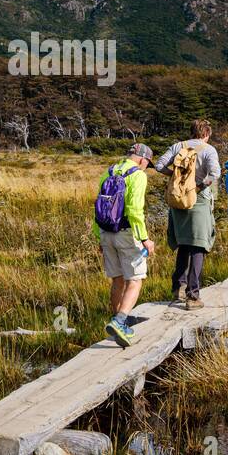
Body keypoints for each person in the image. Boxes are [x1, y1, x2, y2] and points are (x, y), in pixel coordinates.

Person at [92, 143, 156, 348]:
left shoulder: (108, 171)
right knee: (135, 280)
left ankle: (117, 322)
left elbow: (98, 206)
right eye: (147, 162)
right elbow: (135, 210)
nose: (147, 166)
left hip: (106, 232)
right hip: (127, 234)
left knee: (117, 280)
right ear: (141, 159)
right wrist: (145, 238)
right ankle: (119, 322)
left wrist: (98, 238)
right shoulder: (138, 175)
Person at [154, 119, 221, 309]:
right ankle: (193, 296)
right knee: (198, 245)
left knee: (183, 243)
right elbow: (215, 174)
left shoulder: (178, 146)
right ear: (206, 133)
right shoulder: (208, 149)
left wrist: (177, 177)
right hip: (198, 200)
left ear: (192, 132)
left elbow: (159, 166)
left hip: (177, 199)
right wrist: (197, 186)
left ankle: (179, 288)